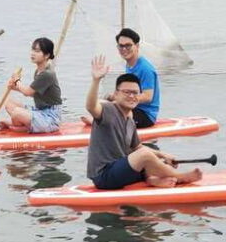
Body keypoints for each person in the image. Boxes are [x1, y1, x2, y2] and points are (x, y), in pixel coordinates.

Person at [86, 55, 201, 190]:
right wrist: (96, 80)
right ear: (115, 94)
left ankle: (152, 179)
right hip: (104, 176)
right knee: (145, 156)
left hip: (121, 170)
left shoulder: (129, 117)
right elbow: (91, 106)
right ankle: (181, 177)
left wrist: (162, 154)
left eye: (135, 93)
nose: (131, 96)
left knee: (159, 160)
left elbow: (137, 147)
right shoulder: (108, 110)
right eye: (126, 92)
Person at [81, 27, 160, 129]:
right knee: (99, 101)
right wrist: (114, 96)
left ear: (137, 46)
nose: (124, 49)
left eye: (128, 45)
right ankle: (101, 119)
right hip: (131, 107)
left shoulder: (145, 68)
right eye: (121, 46)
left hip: (145, 115)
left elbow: (148, 97)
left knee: (106, 106)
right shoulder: (130, 65)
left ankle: (100, 122)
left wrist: (120, 99)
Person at [0, 37, 62, 133]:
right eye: (33, 49)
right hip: (39, 111)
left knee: (16, 113)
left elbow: (27, 92)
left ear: (47, 55)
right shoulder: (38, 71)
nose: (33, 53)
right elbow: (35, 93)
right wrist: (15, 88)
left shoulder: (47, 74)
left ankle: (19, 126)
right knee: (9, 103)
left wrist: (17, 81)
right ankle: (23, 126)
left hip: (50, 117)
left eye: (37, 51)